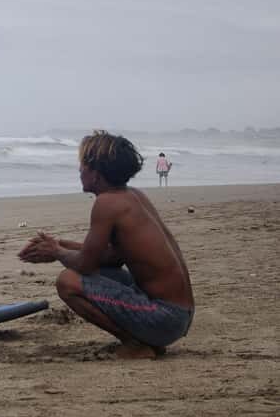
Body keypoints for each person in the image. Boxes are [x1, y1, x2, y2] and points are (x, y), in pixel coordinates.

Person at [18, 130, 194, 359]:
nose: (79, 171)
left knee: (67, 281)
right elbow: (112, 257)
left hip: (164, 317)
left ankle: (134, 344)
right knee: (104, 272)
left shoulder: (107, 203)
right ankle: (146, 341)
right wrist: (58, 245)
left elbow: (86, 264)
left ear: (96, 172)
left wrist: (56, 252)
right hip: (179, 316)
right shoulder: (132, 196)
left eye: (83, 165)